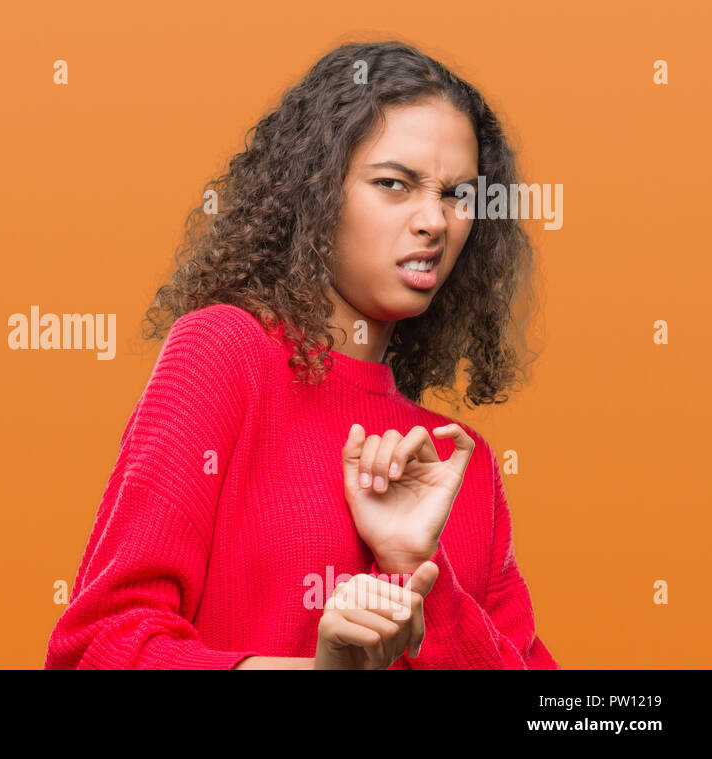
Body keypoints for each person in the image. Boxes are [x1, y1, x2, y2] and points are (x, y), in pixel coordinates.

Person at [44, 40, 558, 669]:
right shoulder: (225, 356)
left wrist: (421, 572)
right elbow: (98, 647)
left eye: (458, 195)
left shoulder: (458, 464)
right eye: (394, 184)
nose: (435, 221)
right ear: (315, 194)